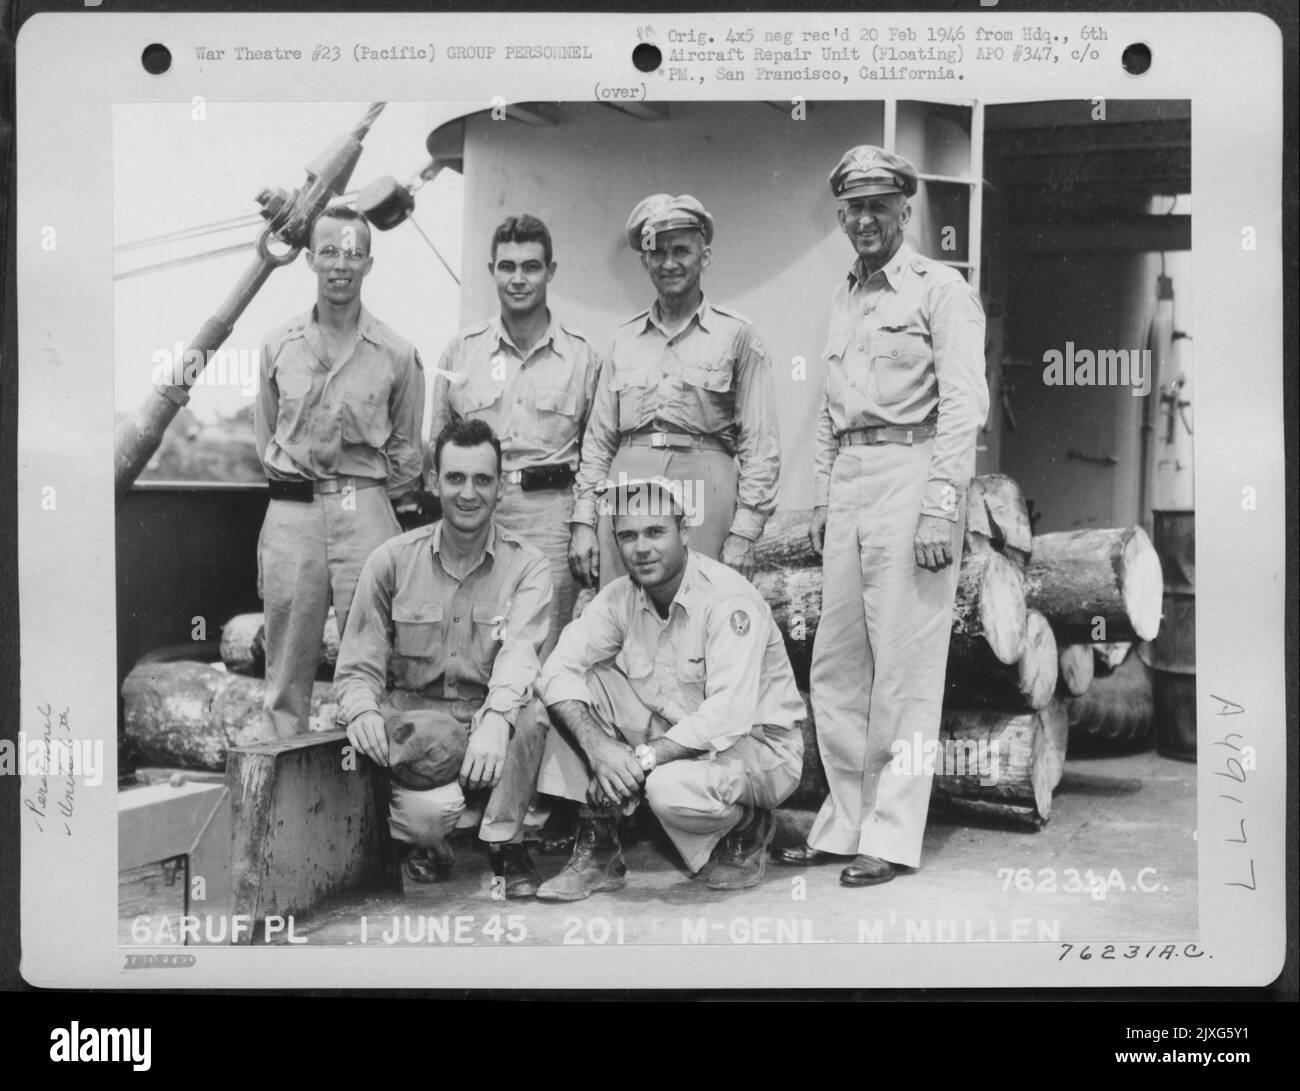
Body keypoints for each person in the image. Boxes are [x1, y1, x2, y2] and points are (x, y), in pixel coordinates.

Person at [774, 145, 989, 886]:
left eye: (879, 204)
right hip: (855, 481)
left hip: (913, 470)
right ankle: (845, 820)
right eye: (853, 207)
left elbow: (964, 405)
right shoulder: (846, 295)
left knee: (906, 668)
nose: (865, 218)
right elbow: (833, 413)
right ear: (841, 215)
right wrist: (828, 496)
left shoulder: (941, 290)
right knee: (837, 665)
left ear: (906, 208)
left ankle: (892, 835)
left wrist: (940, 506)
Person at [534, 477, 804, 900]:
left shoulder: (727, 599)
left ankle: (748, 826)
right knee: (571, 691)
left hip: (757, 747)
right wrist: (599, 748)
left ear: (684, 532)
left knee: (667, 789)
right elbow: (555, 670)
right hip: (674, 734)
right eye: (628, 536)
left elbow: (726, 716)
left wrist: (640, 760)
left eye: (655, 532)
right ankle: (599, 848)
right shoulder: (619, 596)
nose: (641, 548)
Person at [333, 419, 554, 898]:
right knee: (426, 820)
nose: (468, 493)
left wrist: (496, 718)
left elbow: (521, 652)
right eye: (455, 478)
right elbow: (358, 664)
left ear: (500, 487)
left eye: (482, 479)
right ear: (434, 481)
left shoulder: (528, 565)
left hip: (489, 726)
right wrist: (364, 709)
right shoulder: (391, 560)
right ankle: (434, 840)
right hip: (421, 730)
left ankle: (505, 840)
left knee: (532, 709)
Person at [254, 204, 426, 739]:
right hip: (293, 513)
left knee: (375, 657)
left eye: (353, 253)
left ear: (369, 264)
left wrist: (366, 498)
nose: (340, 264)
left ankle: (376, 798)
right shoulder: (278, 345)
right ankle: (280, 793)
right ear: (309, 259)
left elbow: (406, 454)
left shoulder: (398, 354)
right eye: (328, 251)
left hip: (366, 510)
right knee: (285, 669)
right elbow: (266, 438)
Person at [568, 194, 780, 592]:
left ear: (705, 256)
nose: (669, 263)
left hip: (705, 482)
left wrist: (744, 532)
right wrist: (583, 521)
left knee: (702, 608)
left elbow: (760, 444)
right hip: (629, 481)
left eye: (681, 250)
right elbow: (598, 443)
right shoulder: (622, 340)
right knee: (625, 612)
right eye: (657, 252)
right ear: (643, 260)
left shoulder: (737, 335)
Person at [429, 214, 604, 656]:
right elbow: (438, 445)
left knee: (541, 653)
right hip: (474, 514)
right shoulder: (460, 351)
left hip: (549, 518)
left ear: (551, 271)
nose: (518, 279)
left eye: (531, 266)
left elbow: (599, 452)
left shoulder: (582, 357)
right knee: (469, 644)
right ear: (492, 270)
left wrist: (584, 524)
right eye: (507, 266)